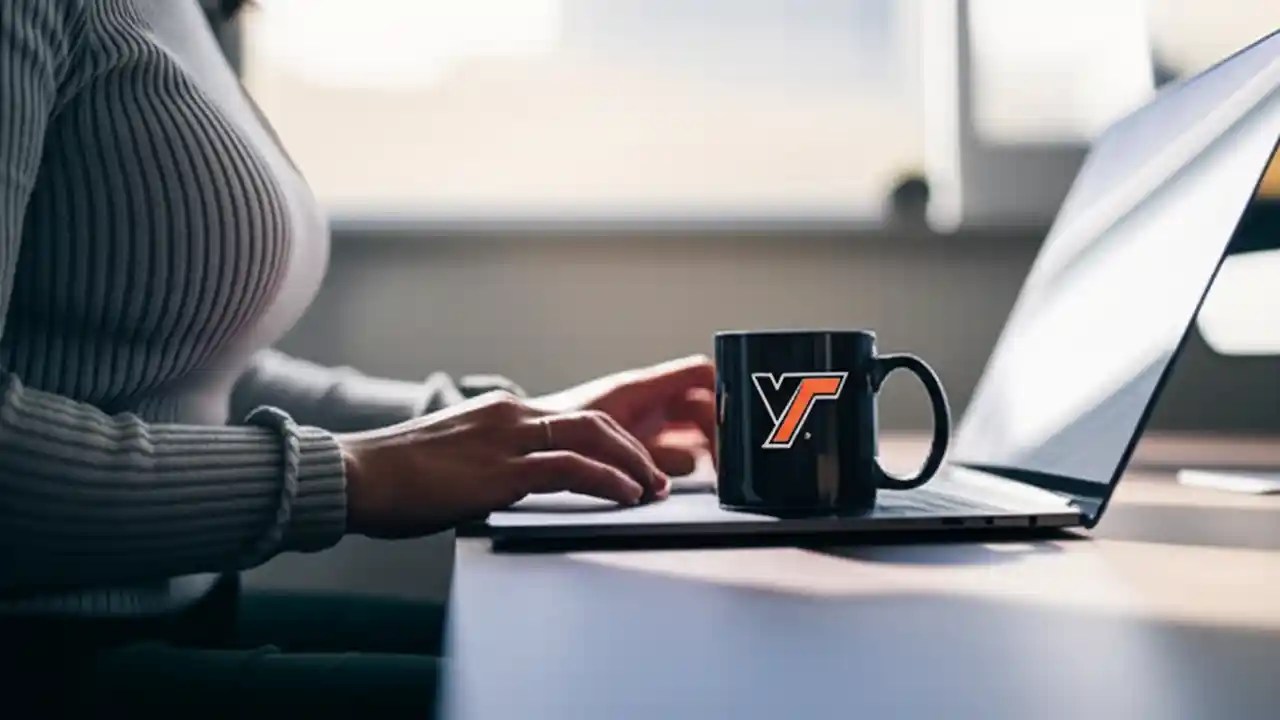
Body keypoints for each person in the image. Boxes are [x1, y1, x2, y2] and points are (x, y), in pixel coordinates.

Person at [0, 0, 717, 714]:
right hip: (41, 656)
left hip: (189, 607)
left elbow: (185, 373)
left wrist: (502, 429)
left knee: (643, 655)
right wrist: (358, 472)